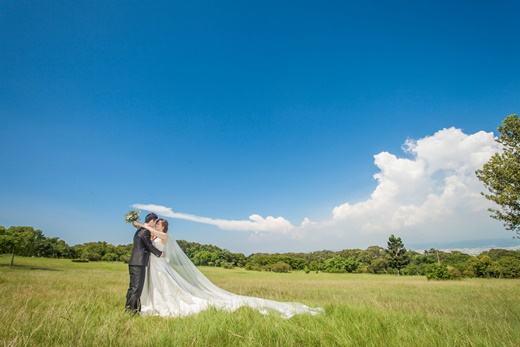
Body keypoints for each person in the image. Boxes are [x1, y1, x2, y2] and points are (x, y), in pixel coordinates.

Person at [132, 217, 324, 318]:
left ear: (164, 227)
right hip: (154, 266)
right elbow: (149, 242)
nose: (156, 226)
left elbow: (152, 236)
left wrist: (141, 224)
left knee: (168, 289)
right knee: (157, 287)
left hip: (160, 267)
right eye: (155, 224)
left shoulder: (164, 236)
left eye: (158, 224)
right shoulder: (154, 236)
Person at [125, 212, 164, 314]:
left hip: (134, 261)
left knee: (132, 287)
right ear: (152, 221)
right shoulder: (145, 231)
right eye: (155, 222)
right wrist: (160, 253)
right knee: (137, 288)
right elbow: (149, 246)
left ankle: (128, 308)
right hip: (139, 262)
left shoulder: (139, 231)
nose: (154, 224)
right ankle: (133, 311)